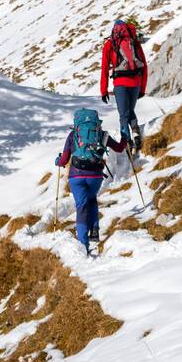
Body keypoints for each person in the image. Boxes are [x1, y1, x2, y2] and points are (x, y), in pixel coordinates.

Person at [54, 107, 127, 254]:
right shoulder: (101, 134)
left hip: (77, 176)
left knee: (82, 206)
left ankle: (83, 243)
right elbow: (119, 148)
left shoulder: (73, 135)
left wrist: (58, 161)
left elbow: (63, 160)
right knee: (92, 199)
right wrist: (124, 134)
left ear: (77, 122)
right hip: (95, 176)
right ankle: (94, 231)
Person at [100, 17, 148, 152]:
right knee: (129, 111)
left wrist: (104, 90)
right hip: (136, 82)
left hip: (120, 83)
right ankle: (136, 132)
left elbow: (104, 68)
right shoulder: (134, 42)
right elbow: (144, 66)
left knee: (123, 115)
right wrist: (142, 88)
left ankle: (126, 141)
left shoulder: (110, 44)